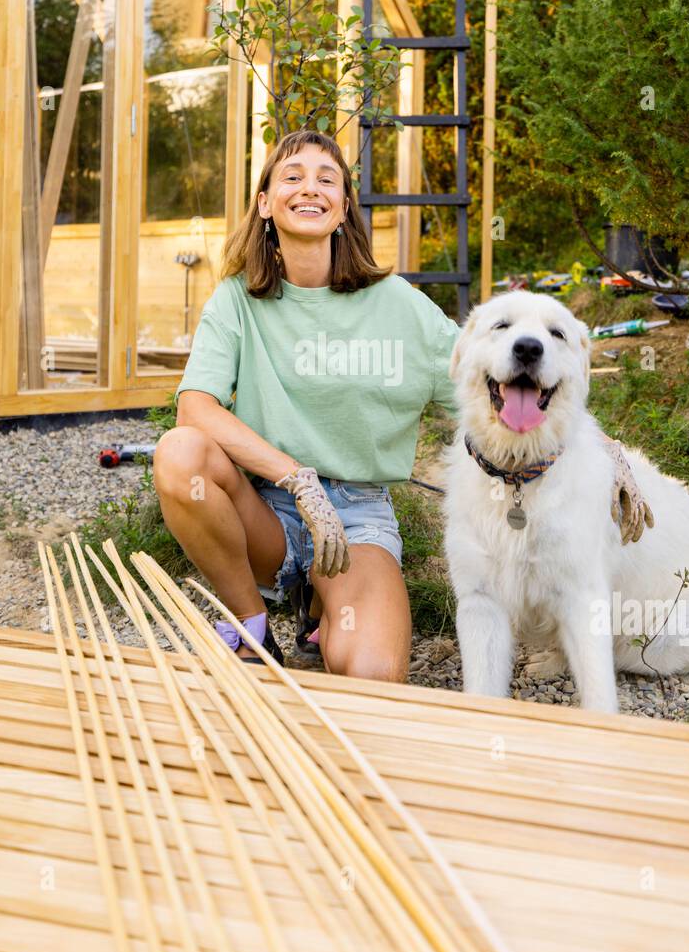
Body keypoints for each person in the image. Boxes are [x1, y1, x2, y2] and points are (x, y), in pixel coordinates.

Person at [154, 128, 649, 678]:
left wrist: (601, 449)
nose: (309, 188)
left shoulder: (396, 304)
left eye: (327, 179)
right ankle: (250, 624)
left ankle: (322, 604)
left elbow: (490, 383)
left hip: (357, 517)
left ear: (344, 208)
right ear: (266, 203)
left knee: (372, 676)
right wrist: (297, 479)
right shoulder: (236, 300)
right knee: (181, 455)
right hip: (266, 508)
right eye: (291, 177)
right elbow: (195, 409)